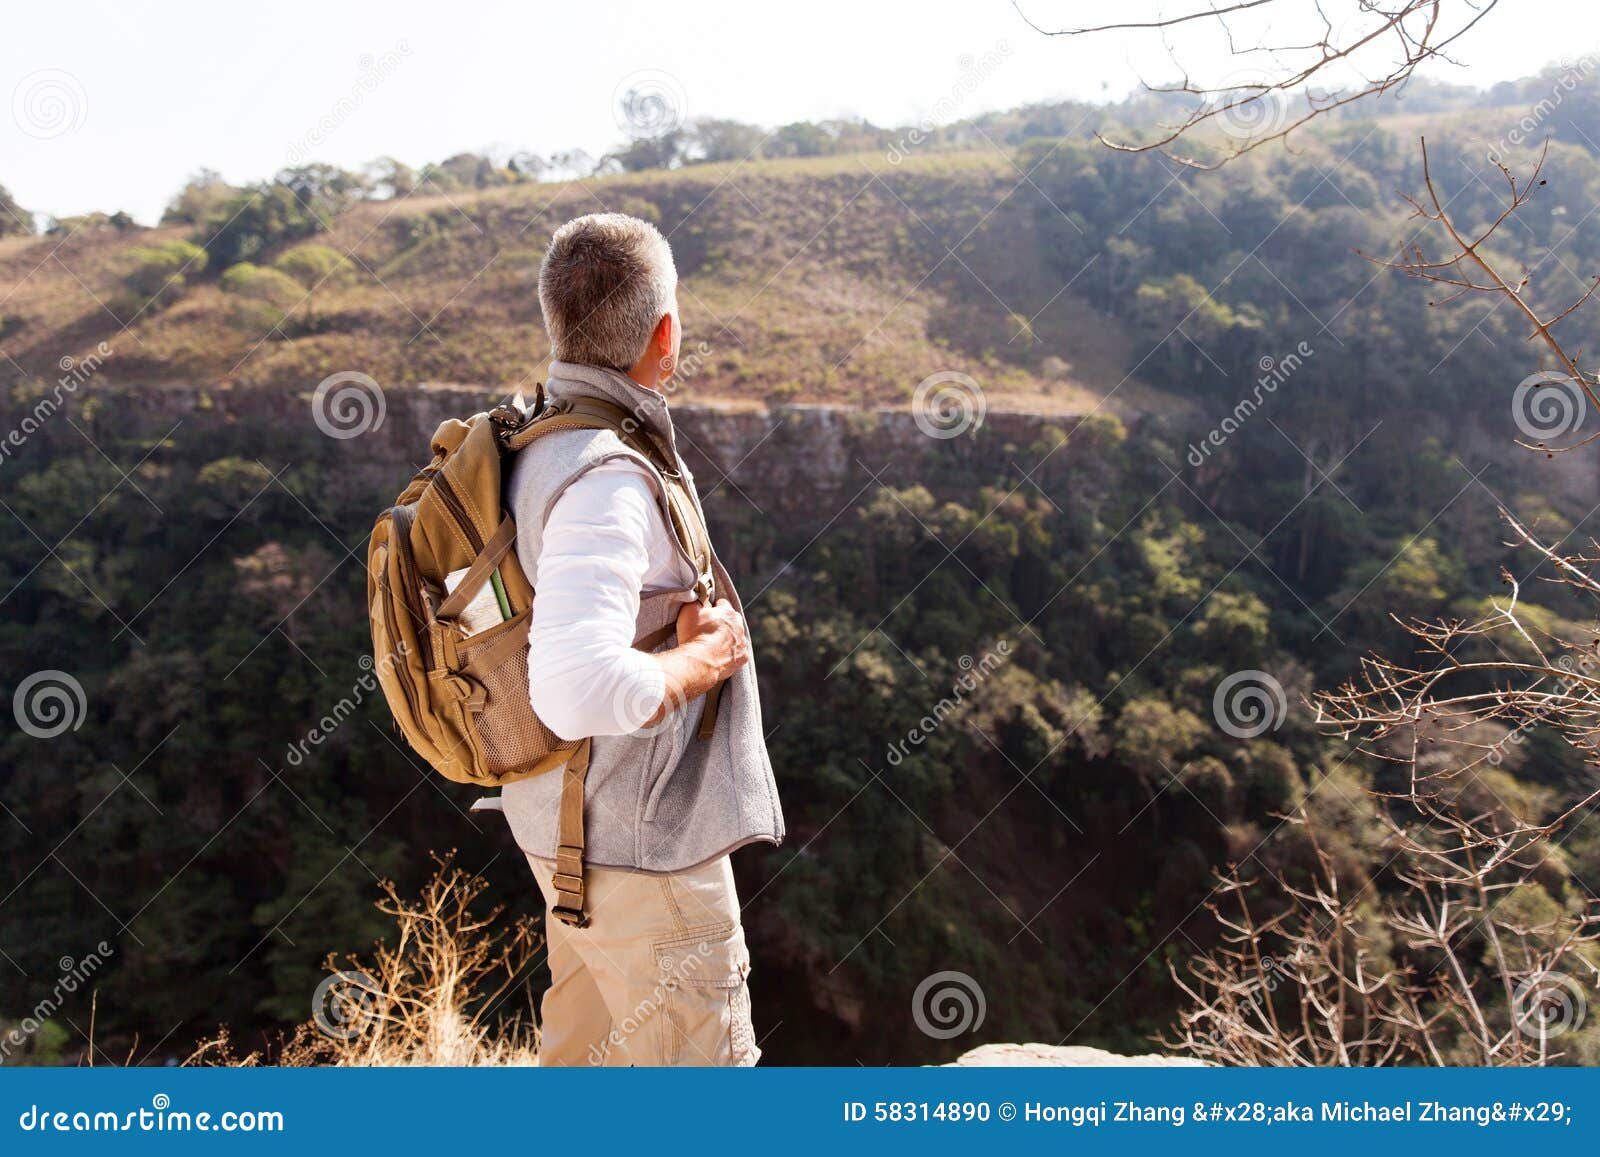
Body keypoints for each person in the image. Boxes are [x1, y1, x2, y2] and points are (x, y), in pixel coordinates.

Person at [501, 212, 784, 1066]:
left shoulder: (534, 441)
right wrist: (703, 659)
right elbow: (575, 685)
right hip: (643, 857)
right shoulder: (606, 474)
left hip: (564, 831)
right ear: (664, 333)